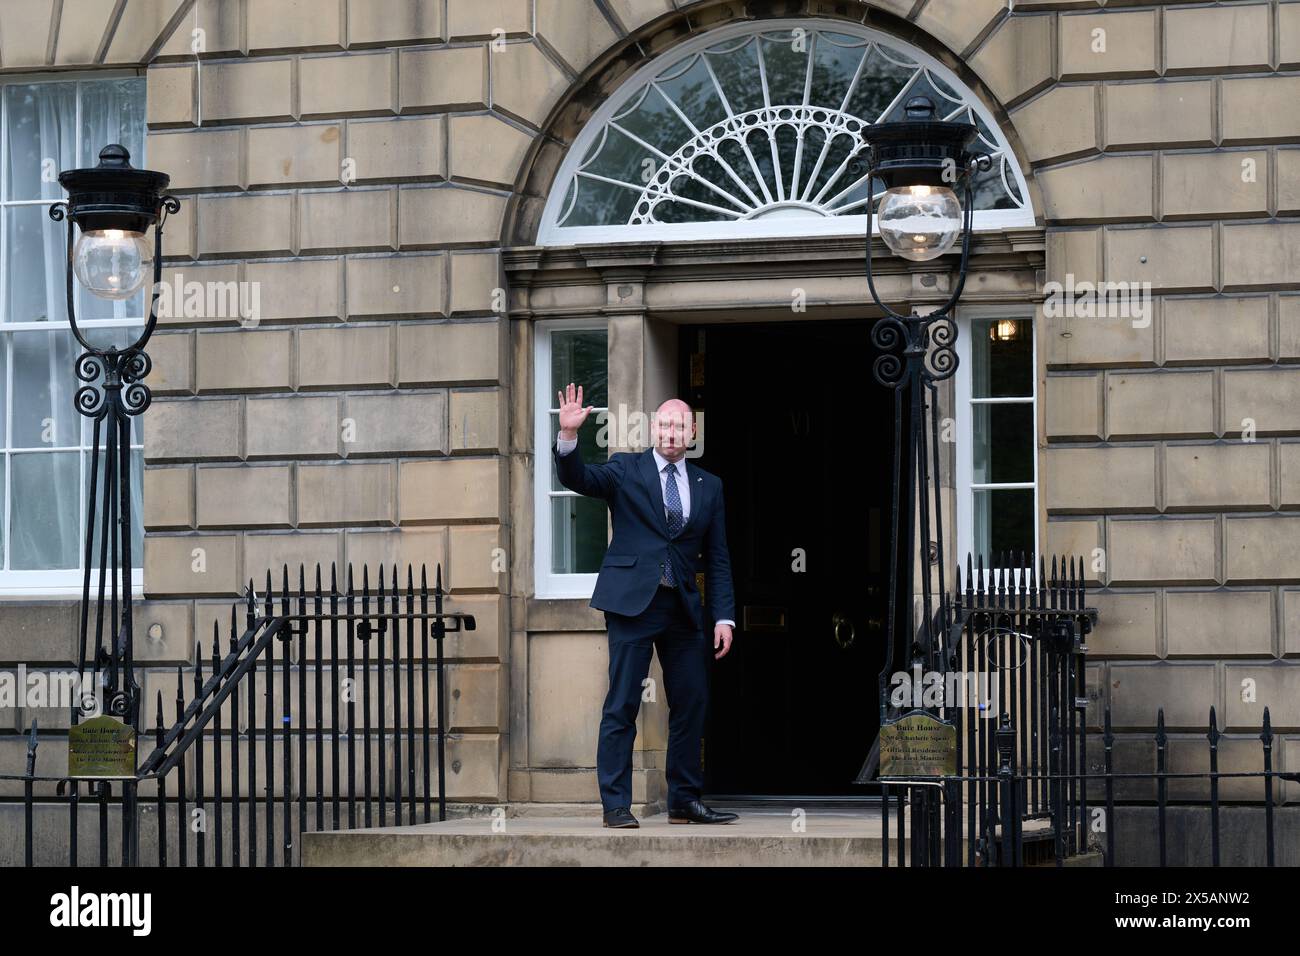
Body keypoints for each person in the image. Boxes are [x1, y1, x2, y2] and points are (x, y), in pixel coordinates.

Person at [553, 382, 739, 828]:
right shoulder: (625, 469)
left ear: (691, 431)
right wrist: (569, 438)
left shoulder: (708, 486)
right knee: (622, 704)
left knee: (691, 701)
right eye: (665, 424)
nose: (672, 433)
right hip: (632, 604)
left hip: (684, 610)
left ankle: (684, 799)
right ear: (654, 428)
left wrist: (725, 617)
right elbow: (579, 478)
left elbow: (717, 557)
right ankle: (616, 804)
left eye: (680, 426)